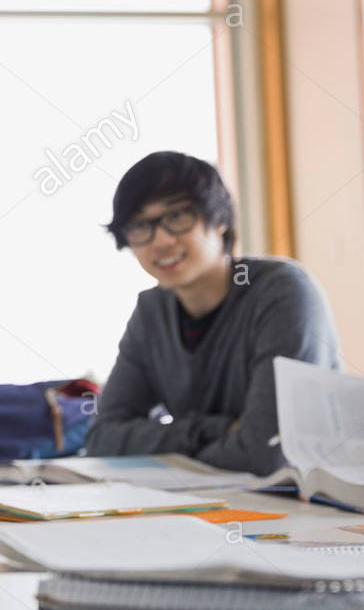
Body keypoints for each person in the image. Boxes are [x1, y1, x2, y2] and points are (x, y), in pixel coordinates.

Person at [84, 150, 340, 476]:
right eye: (140, 226)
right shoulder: (151, 312)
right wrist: (214, 430)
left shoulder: (283, 291)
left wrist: (170, 446)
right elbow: (102, 439)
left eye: (177, 217)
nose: (161, 240)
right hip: (211, 505)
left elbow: (269, 454)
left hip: (312, 509)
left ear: (219, 221)